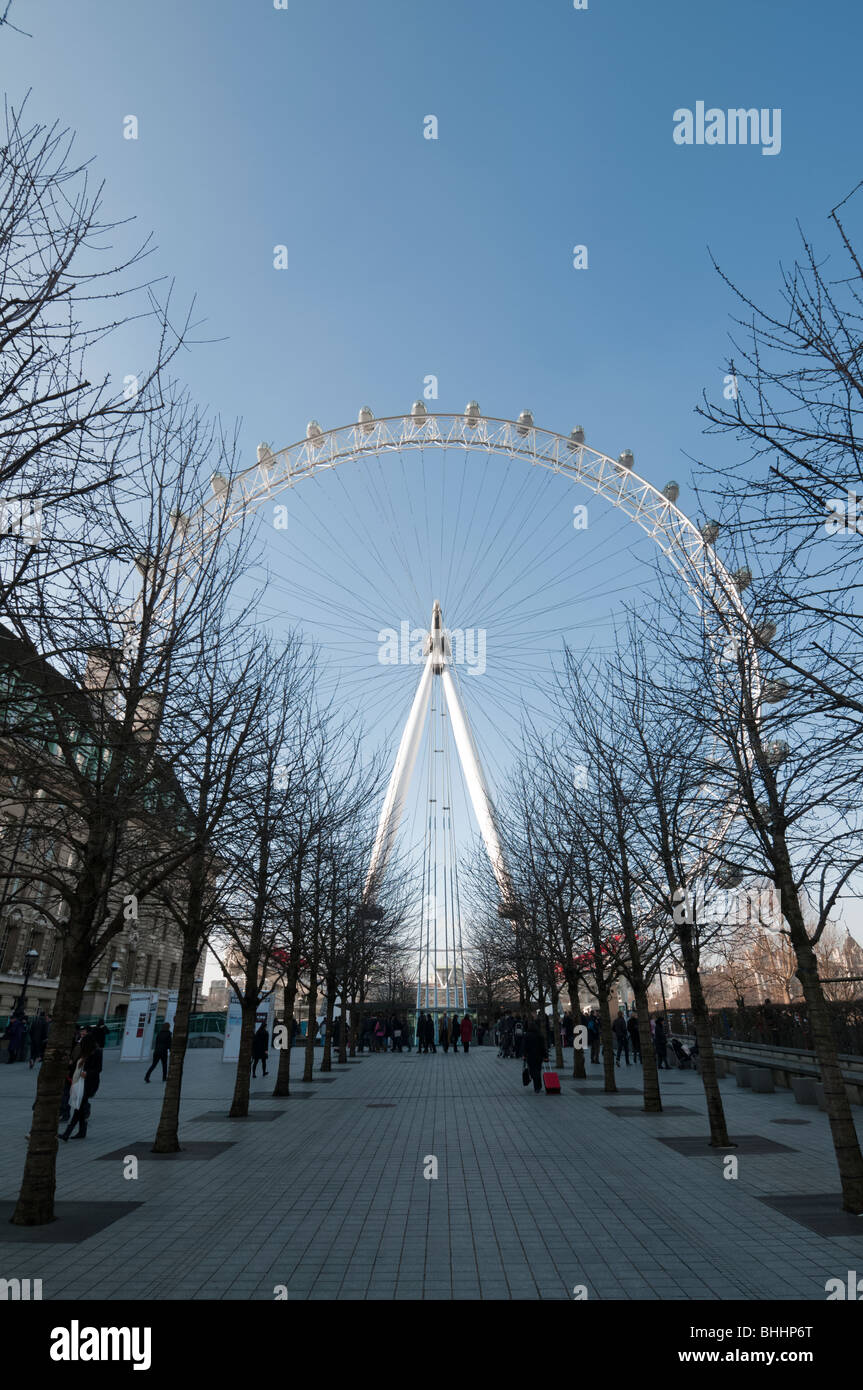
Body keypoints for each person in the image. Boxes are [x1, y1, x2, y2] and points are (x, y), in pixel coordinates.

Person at [60, 1035, 102, 1140]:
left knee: (78, 1108)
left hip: (88, 1083)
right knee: (81, 1108)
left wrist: (87, 1073)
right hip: (80, 1082)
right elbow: (75, 1065)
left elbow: (98, 1069)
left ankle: (67, 1133)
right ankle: (82, 1132)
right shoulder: (84, 1052)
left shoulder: (96, 1052)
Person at [522, 1020, 547, 1093]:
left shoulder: (527, 1035)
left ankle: (536, 1086)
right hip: (539, 1056)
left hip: (530, 1056)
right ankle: (539, 1086)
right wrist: (545, 1056)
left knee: (532, 1070)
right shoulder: (539, 1035)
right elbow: (543, 1047)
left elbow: (524, 1046)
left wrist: (524, 1055)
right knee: (538, 1070)